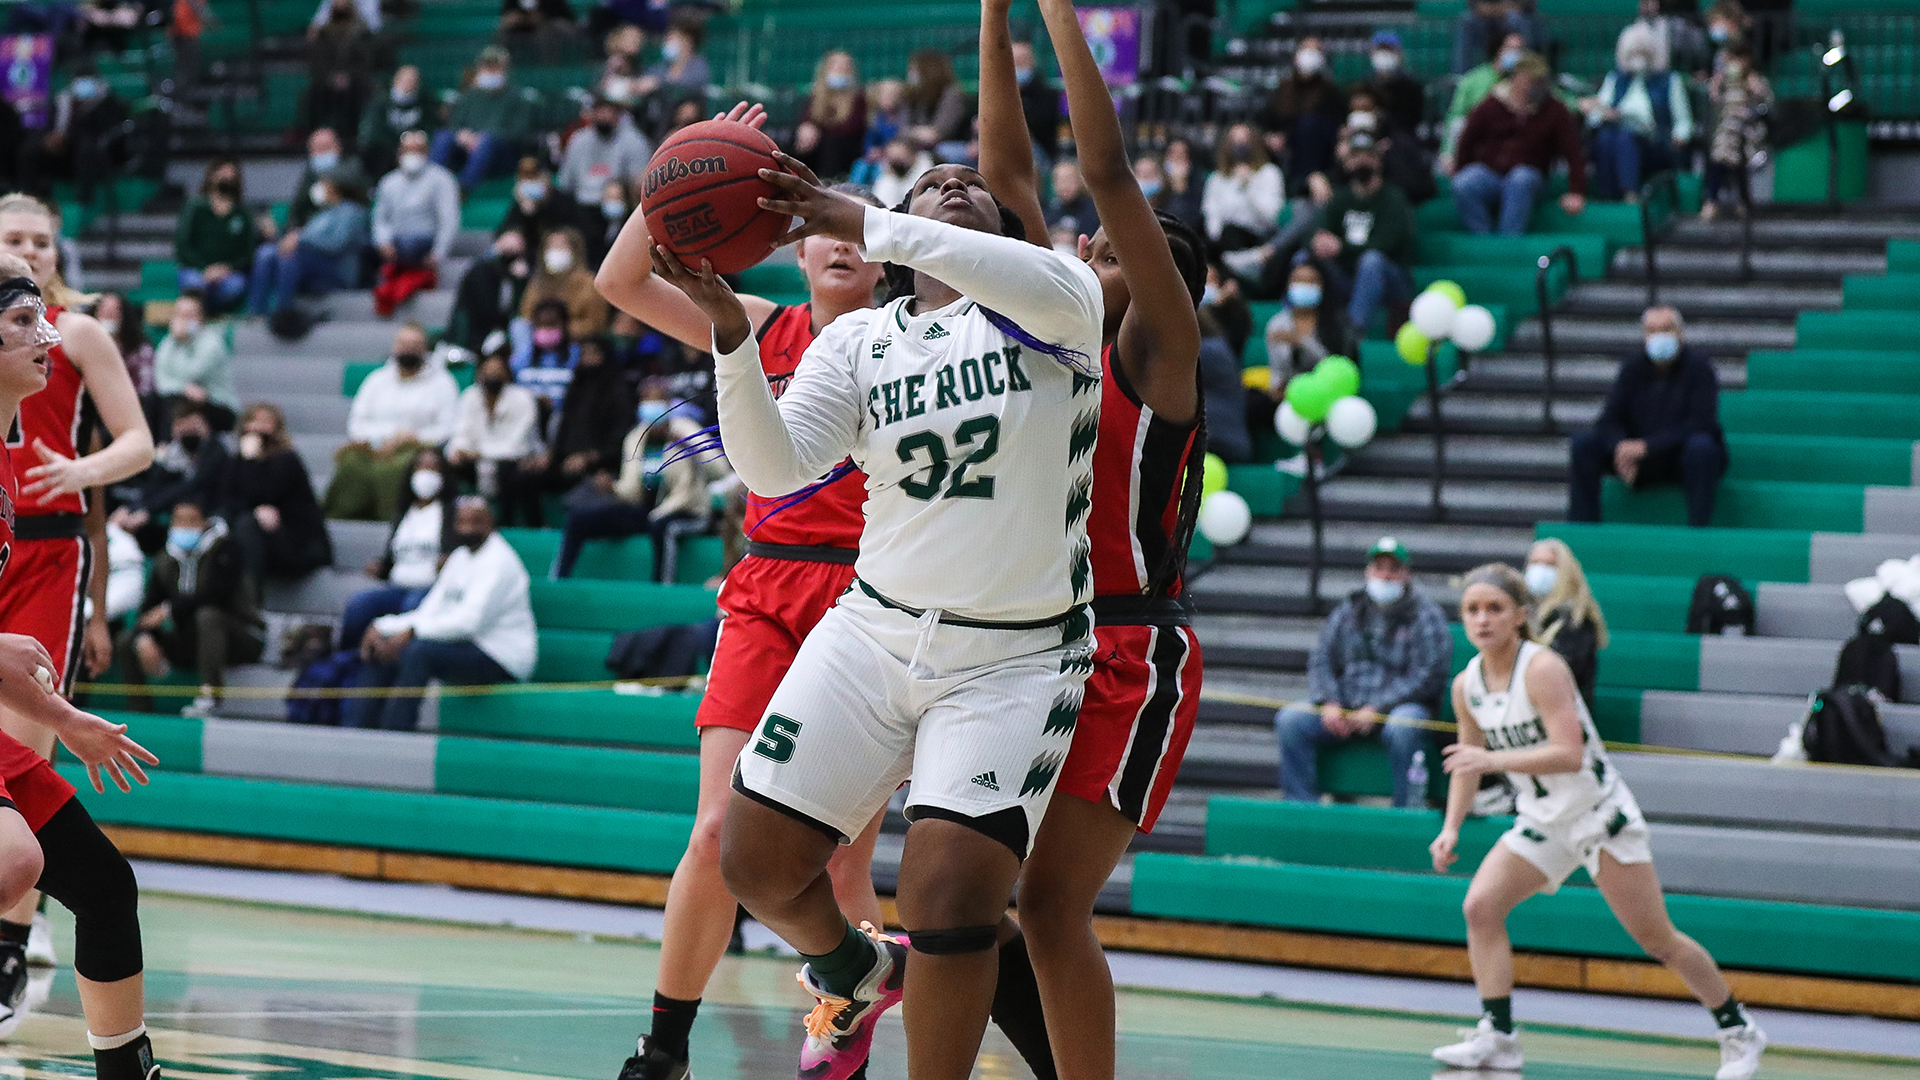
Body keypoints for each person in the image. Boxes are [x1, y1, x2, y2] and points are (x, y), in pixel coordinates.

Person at [651, 107, 1105, 1078]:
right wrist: (732, 337)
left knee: (949, 901)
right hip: (873, 629)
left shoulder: (1057, 302)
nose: (951, 179)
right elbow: (775, 469)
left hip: (1015, 657)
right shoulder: (858, 343)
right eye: (930, 181)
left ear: (1000, 228)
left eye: (968, 183)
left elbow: (1002, 259)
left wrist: (852, 213)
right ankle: (852, 968)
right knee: (753, 859)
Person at [597, 132, 892, 1080]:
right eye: (821, 232)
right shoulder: (759, 324)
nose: (841, 246)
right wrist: (674, 180)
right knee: (716, 830)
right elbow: (620, 283)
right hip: (768, 585)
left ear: (880, 248)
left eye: (856, 230)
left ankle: (844, 1023)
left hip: (873, 593)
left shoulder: (917, 339)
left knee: (842, 859)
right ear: (793, 246)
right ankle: (664, 1045)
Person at [977, 2, 1209, 1077]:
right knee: (974, 894)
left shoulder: (1159, 355)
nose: (1086, 242)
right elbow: (1007, 176)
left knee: (1050, 903)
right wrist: (994, 12)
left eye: (1115, 249)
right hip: (1035, 640)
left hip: (1129, 652)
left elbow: (1106, 172)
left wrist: (1059, 15)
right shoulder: (1054, 343)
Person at [1430, 563, 1767, 1080]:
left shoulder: (1542, 668)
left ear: (1520, 616)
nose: (1482, 619)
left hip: (1597, 816)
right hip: (1543, 819)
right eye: (1472, 609)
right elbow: (1465, 762)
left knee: (1658, 939)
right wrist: (1451, 826)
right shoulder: (1466, 684)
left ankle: (1738, 1032)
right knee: (1479, 906)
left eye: (1494, 608)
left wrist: (1493, 763)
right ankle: (1499, 1036)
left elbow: (1567, 753)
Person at [0, 254, 167, 1080]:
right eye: (24, 322)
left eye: (45, 315)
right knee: (13, 862)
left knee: (104, 887)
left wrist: (67, 723)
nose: (48, 336)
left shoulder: (14, 468)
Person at [1274, 537, 1450, 808]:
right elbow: (1322, 659)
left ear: (1406, 574)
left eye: (1393, 569)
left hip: (1398, 710)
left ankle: (1407, 811)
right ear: (1368, 571)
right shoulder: (1348, 610)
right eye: (1379, 568)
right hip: (1345, 708)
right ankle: (1300, 806)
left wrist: (1378, 708)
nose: (1385, 576)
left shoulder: (1426, 615)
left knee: (1405, 726)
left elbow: (1428, 675)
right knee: (1291, 720)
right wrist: (1329, 702)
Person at [347, 498, 535, 732]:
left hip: (500, 655)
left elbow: (469, 623)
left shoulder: (500, 562)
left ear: (490, 524)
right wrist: (383, 626)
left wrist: (412, 633)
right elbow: (430, 611)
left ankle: (395, 733)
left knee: (419, 652)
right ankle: (357, 730)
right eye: (462, 522)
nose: (467, 529)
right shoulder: (459, 557)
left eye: (475, 522)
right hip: (464, 645)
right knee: (382, 648)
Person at [1568, 306, 1724, 528]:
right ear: (1644, 336)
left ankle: (1698, 532)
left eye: (1666, 329)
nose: (1659, 336)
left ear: (1681, 333)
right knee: (1584, 445)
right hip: (1636, 460)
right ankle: (1583, 529)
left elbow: (1701, 424)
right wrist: (1621, 448)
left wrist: (1647, 446)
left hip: (1677, 459)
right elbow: (1608, 420)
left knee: (1702, 448)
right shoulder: (1633, 368)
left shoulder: (1700, 369)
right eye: (1651, 330)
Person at [114, 497, 264, 715]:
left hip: (238, 637)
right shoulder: (165, 559)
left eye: (191, 521)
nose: (184, 527)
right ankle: (138, 708)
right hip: (192, 640)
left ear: (204, 522)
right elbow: (148, 609)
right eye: (178, 521)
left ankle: (210, 696)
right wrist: (143, 636)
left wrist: (169, 610)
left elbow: (216, 596)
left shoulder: (228, 549)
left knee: (208, 615)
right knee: (127, 640)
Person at [554, 414, 719, 582]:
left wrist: (692, 448)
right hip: (647, 512)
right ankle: (559, 580)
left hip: (686, 511)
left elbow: (720, 469)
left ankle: (661, 587)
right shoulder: (636, 437)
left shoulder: (687, 430)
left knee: (662, 527)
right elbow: (632, 491)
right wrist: (613, 488)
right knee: (578, 519)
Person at [325, 324, 461, 521]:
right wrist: (381, 440)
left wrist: (411, 438)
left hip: (417, 447)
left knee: (399, 467)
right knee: (350, 462)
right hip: (374, 446)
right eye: (403, 344)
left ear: (425, 349)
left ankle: (392, 519)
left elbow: (448, 427)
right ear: (394, 348)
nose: (409, 349)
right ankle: (342, 516)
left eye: (415, 344)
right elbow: (357, 423)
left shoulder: (443, 383)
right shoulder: (376, 380)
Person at [1291, 133, 1416, 336]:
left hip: (1389, 280)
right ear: (1346, 163)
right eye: (1355, 156)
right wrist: (1318, 241)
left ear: (1378, 160)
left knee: (1371, 260)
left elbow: (1383, 245)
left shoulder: (1394, 199)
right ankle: (1295, 327)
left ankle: (1353, 332)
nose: (1362, 160)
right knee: (1303, 259)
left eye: (1368, 155)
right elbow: (1318, 232)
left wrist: (1340, 248)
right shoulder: (1340, 197)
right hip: (1346, 277)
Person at [1450, 54, 1586, 236]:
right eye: (1531, 81)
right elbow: (1466, 140)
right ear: (1517, 79)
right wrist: (1461, 167)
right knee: (1464, 183)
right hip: (1491, 173)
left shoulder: (1555, 110)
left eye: (1540, 82)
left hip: (1530, 175)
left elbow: (1573, 152)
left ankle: (1509, 241)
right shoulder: (1491, 105)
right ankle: (1483, 239)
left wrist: (1576, 192)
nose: (1535, 87)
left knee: (1520, 179)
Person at [340, 447, 457, 650]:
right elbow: (393, 557)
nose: (426, 474)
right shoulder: (403, 513)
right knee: (358, 606)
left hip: (430, 589)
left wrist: (448, 562)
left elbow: (461, 556)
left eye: (433, 468)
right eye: (421, 467)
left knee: (410, 609)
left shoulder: (451, 512)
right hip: (397, 586)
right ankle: (349, 661)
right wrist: (380, 568)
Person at [509, 330, 629, 526]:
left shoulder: (618, 392)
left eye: (593, 353)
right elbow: (563, 429)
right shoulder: (576, 388)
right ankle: (537, 529)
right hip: (565, 462)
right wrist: (550, 456)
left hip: (601, 467)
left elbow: (622, 437)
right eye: (584, 354)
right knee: (524, 477)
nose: (588, 359)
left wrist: (590, 458)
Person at [217, 403, 332, 581]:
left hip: (296, 544)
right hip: (259, 540)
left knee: (247, 524)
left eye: (265, 422)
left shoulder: (287, 460)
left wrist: (249, 460)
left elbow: (264, 494)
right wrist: (255, 511)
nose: (258, 428)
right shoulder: (235, 461)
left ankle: (247, 597)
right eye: (254, 421)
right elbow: (227, 499)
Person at [247, 174, 371, 337]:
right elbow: (295, 242)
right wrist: (276, 235)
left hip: (335, 272)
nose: (318, 188)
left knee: (290, 258)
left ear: (335, 187)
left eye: (322, 183)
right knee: (266, 253)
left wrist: (300, 238)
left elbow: (335, 244)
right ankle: (256, 313)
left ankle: (283, 314)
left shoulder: (351, 212)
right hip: (307, 268)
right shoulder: (320, 214)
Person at [1587, 23, 1694, 202]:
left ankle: (1631, 195)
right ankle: (1607, 196)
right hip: (1618, 136)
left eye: (1643, 52)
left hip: (1656, 142)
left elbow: (1684, 121)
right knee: (1606, 137)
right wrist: (1604, 114)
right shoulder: (1615, 79)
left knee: (1625, 138)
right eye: (1634, 53)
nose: (1639, 57)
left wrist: (1680, 136)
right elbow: (1595, 115)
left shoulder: (1670, 81)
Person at [370, 131, 463, 317]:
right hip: (395, 242)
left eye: (417, 150)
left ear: (427, 152)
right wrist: (383, 242)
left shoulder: (442, 179)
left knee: (410, 244)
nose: (412, 155)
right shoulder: (388, 182)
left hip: (424, 241)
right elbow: (380, 218)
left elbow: (449, 220)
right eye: (407, 150)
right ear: (399, 153)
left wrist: (438, 252)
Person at [115, 403, 228, 542]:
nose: (189, 432)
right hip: (167, 509)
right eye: (183, 428)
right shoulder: (172, 453)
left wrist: (147, 510)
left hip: (208, 510)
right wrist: (131, 508)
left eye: (193, 427)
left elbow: (191, 485)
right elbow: (154, 486)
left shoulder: (216, 451)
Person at [16, 64, 129, 202]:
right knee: (30, 150)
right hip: (62, 151)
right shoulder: (62, 101)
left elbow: (107, 130)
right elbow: (48, 126)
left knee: (86, 149)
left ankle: (83, 202)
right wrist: (49, 139)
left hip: (90, 152)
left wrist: (67, 137)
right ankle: (31, 198)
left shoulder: (108, 103)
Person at [432, 46, 534, 192]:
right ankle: (429, 184)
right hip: (467, 152)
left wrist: (481, 138)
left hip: (501, 156)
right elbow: (454, 124)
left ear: (505, 70)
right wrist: (461, 134)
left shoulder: (516, 98)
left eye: (495, 68)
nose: (491, 72)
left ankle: (462, 190)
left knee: (486, 140)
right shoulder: (469, 96)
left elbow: (519, 133)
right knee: (443, 136)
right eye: (487, 67)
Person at [446, 349, 542, 503]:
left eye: (497, 371)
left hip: (516, 459)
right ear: (479, 373)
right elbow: (461, 431)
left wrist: (479, 453)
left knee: (510, 471)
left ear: (507, 374)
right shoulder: (470, 396)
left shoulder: (523, 398)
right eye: (488, 371)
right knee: (451, 465)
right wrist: (460, 449)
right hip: (477, 459)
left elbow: (517, 444)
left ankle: (511, 523)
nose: (493, 375)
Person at [1523, 538, 1606, 709]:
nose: (1540, 570)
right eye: (1535, 563)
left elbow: (1565, 673)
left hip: (1564, 711)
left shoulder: (1577, 619)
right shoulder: (1526, 613)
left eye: (1549, 565)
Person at [173, 159, 263, 314]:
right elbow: (182, 246)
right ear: (211, 176)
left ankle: (202, 312)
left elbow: (248, 254)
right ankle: (201, 313)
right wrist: (205, 269)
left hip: (228, 275)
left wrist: (226, 269)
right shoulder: (194, 207)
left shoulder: (244, 214)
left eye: (231, 175)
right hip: (196, 270)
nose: (227, 178)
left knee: (235, 287)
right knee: (195, 284)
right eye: (223, 174)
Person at [1260, 38, 1344, 200]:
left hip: (1318, 150)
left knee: (1309, 125)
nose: (1309, 56)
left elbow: (1337, 126)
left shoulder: (1331, 91)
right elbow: (1267, 122)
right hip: (1285, 149)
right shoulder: (1283, 90)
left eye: (1315, 52)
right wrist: (1271, 137)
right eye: (1306, 50)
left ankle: (1307, 182)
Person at [151, 292, 238, 433]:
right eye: (179, 314)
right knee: (154, 401)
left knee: (173, 401)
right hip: (184, 397)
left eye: (189, 315)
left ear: (201, 317)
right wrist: (182, 388)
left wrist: (178, 339)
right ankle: (155, 448)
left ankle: (166, 446)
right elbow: (160, 377)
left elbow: (192, 374)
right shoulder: (170, 340)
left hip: (217, 403)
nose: (183, 320)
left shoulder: (212, 343)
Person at [1701, 43, 1769, 220]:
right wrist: (1718, 80)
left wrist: (1751, 86)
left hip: (1748, 131)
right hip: (1727, 129)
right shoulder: (1725, 80)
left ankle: (1743, 202)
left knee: (1739, 164)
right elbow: (1715, 98)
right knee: (1719, 158)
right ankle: (1712, 201)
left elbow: (1764, 101)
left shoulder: (1754, 79)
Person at [275, 128, 372, 249]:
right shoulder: (309, 175)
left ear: (338, 147)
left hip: (346, 239)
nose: (321, 154)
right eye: (317, 149)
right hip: (312, 234)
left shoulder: (352, 166)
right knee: (270, 254)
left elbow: (356, 187)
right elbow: (298, 210)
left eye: (326, 148)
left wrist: (326, 181)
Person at [1443, 32, 1529, 164]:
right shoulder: (1473, 80)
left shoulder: (1528, 80)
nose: (1515, 54)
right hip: (1479, 141)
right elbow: (1455, 118)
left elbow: (1557, 100)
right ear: (1498, 50)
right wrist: (1447, 153)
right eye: (1510, 49)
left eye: (1519, 50)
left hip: (1515, 141)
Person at [1201, 123, 1283, 254]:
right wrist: (1216, 238)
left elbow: (1271, 218)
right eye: (1234, 141)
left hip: (1256, 237)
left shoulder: (1269, 173)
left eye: (1244, 141)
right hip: (1223, 239)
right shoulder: (1217, 177)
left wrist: (1248, 186)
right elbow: (1211, 212)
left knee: (1232, 233)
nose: (1239, 146)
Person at [518, 228, 607, 347]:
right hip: (537, 344)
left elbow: (595, 323)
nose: (555, 251)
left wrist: (561, 332)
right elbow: (526, 315)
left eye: (561, 246)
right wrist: (543, 332)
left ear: (575, 251)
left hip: (578, 344)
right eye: (551, 246)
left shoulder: (588, 283)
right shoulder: (536, 283)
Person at [560, 96, 653, 206]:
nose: (604, 115)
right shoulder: (578, 139)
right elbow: (565, 182)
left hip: (619, 204)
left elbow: (641, 184)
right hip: (580, 203)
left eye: (609, 110)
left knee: (614, 191)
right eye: (600, 110)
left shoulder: (635, 141)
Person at [450, 232, 533, 352]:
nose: (510, 255)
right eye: (506, 249)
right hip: (476, 333)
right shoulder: (480, 271)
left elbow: (520, 309)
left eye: (515, 251)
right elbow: (484, 309)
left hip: (507, 332)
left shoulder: (523, 277)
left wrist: (520, 282)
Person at [306, 0, 374, 139]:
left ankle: (357, 135)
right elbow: (319, 62)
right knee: (312, 94)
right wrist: (332, 77)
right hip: (327, 81)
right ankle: (316, 136)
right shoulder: (324, 34)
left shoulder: (362, 32)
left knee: (364, 91)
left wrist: (348, 77)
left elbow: (364, 61)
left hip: (355, 80)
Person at [795, 51, 867, 181]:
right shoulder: (815, 95)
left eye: (845, 68)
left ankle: (827, 181)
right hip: (816, 146)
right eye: (836, 67)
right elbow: (807, 118)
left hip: (846, 147)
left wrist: (818, 130)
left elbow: (851, 127)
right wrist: (807, 127)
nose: (840, 71)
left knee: (831, 143)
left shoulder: (858, 98)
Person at [499, 157, 586, 252]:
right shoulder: (521, 205)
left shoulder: (565, 202)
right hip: (531, 261)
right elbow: (506, 231)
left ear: (546, 177)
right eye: (526, 178)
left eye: (534, 177)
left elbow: (579, 235)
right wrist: (526, 214)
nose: (530, 182)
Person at [902, 48, 973, 162]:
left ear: (928, 71)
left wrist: (915, 132)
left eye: (913, 70)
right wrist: (919, 133)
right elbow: (902, 129)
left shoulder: (951, 94)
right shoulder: (913, 96)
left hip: (952, 147)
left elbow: (938, 133)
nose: (910, 75)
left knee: (937, 152)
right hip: (920, 147)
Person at [359, 66, 429, 179]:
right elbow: (374, 130)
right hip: (388, 147)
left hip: (415, 145)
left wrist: (415, 138)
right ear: (396, 80)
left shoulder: (425, 102)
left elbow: (429, 125)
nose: (409, 83)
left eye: (413, 80)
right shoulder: (380, 102)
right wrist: (400, 141)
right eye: (406, 80)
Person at [1452, 0, 1544, 75]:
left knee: (1518, 21)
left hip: (1508, 16)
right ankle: (1461, 79)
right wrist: (1483, 7)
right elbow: (1473, 5)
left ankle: (1527, 74)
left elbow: (1530, 5)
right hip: (1481, 25)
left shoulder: (1515, 20)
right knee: (1466, 21)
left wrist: (1506, 6)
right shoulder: (1469, 22)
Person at [1364, 30, 1425, 137]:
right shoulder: (1366, 84)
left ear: (1400, 53)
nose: (1384, 54)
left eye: (1388, 49)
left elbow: (1414, 118)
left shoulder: (1410, 86)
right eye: (1380, 49)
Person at [1043, 158, 1099, 239]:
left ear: (1080, 180)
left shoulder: (1094, 210)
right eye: (1060, 180)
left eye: (1069, 179)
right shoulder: (1049, 212)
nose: (1065, 185)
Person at [1158, 137, 1205, 233]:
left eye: (1182, 153)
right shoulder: (1158, 177)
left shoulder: (1197, 181)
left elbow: (1196, 214)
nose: (1178, 157)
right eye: (1174, 153)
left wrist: (1181, 187)